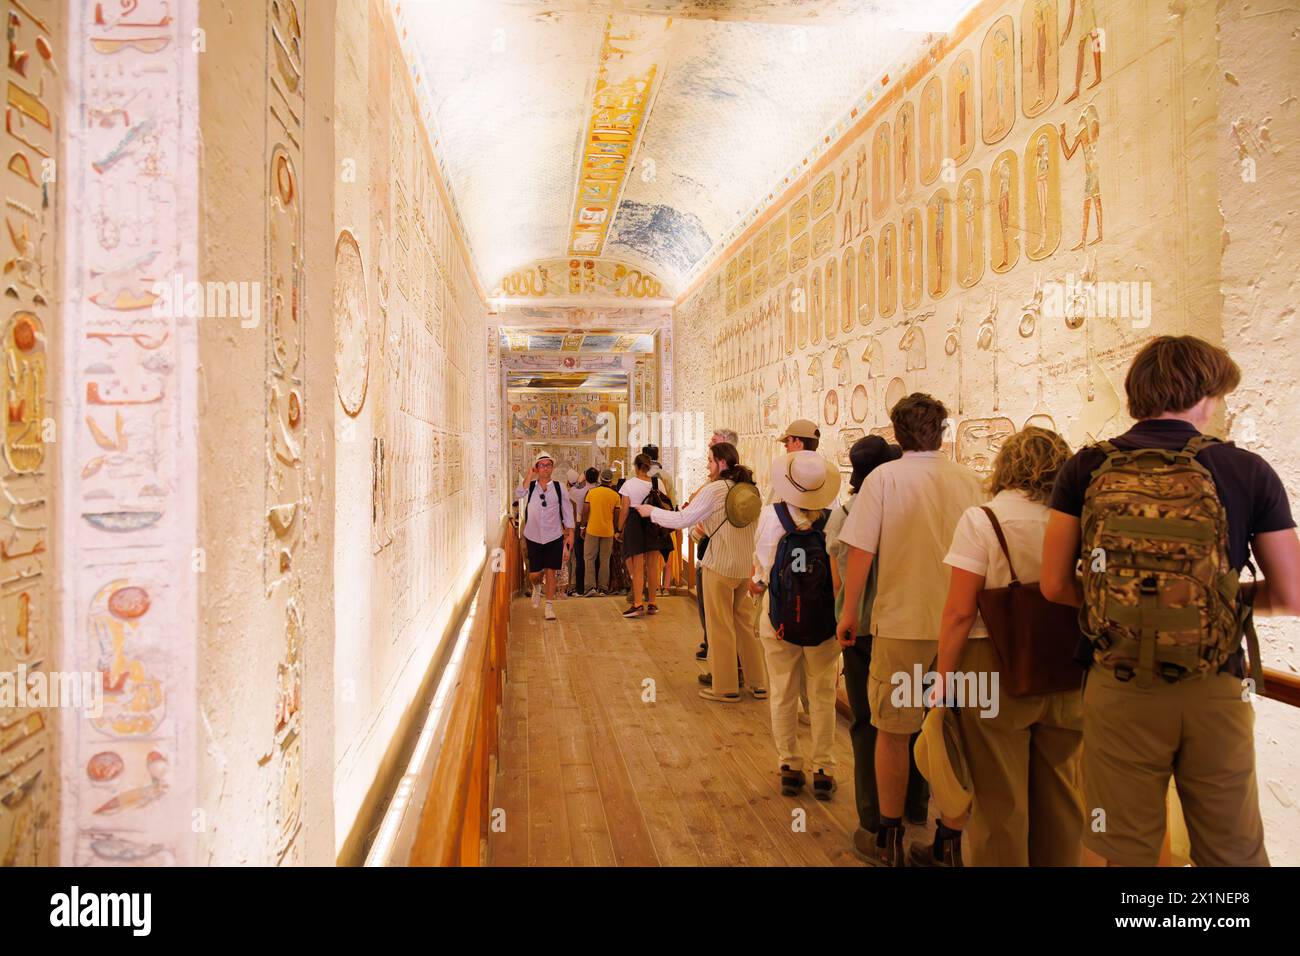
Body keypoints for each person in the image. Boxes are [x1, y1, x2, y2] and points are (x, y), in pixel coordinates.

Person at [1041, 335, 1300, 866]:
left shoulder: (1085, 466)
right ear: (1204, 394)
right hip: (1215, 684)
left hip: (1118, 684)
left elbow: (1053, 583)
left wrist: (1123, 611)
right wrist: (1214, 601)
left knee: (1123, 849)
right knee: (1232, 852)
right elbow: (1291, 593)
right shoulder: (1247, 471)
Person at [835, 393, 985, 866]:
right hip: (963, 630)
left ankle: (889, 837)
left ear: (897, 434)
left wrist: (850, 611)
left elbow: (861, 552)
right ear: (942, 431)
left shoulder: (883, 478)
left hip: (900, 624)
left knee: (892, 730)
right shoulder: (971, 481)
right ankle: (948, 840)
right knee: (954, 731)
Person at [933, 426, 1084, 866]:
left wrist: (941, 682)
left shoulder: (983, 520)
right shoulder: (1078, 519)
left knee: (1000, 801)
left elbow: (961, 611)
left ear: (1006, 466)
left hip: (991, 664)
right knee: (1062, 798)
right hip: (1067, 665)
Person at [827, 436, 930, 860]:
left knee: (868, 723)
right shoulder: (909, 508)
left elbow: (839, 575)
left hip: (863, 627)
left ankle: (874, 821)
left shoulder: (845, 513)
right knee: (915, 717)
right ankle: (916, 804)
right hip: (907, 625)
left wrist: (844, 617)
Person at [638, 443, 767, 702]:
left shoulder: (716, 489)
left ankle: (725, 687)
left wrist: (652, 511)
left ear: (721, 462)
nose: (707, 466)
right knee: (743, 625)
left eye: (709, 461)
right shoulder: (750, 489)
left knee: (719, 626)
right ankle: (758, 683)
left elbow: (683, 519)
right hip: (743, 568)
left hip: (719, 566)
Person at [750, 450, 841, 797]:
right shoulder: (834, 520)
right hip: (823, 621)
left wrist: (757, 583)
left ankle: (789, 764)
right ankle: (824, 768)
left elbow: (762, 571)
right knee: (821, 694)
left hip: (780, 619)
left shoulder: (771, 517)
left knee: (783, 690)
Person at [690, 428, 738, 662]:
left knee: (718, 615)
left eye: (713, 446)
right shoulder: (729, 484)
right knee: (722, 616)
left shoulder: (721, 487)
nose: (708, 450)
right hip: (728, 559)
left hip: (718, 559)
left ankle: (723, 669)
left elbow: (692, 515)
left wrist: (654, 514)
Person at [515, 451, 576, 622]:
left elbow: (567, 511)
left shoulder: (559, 487)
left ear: (552, 467)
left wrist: (570, 534)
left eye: (548, 465)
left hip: (554, 535)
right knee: (535, 574)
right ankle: (536, 586)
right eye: (541, 465)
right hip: (533, 536)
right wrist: (529, 475)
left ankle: (549, 606)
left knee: (551, 571)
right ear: (537, 467)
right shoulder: (531, 486)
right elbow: (519, 494)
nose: (545, 468)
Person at [618, 455, 667, 618]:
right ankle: (652, 602)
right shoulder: (657, 483)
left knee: (638, 566)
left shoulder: (629, 484)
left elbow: (624, 510)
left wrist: (619, 529)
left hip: (635, 523)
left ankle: (638, 603)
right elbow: (665, 503)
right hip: (653, 521)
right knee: (653, 565)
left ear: (636, 466)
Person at [642, 444, 676, 598]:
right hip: (664, 519)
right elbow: (672, 500)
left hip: (644, 519)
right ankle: (666, 587)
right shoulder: (665, 476)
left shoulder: (637, 474)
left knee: (646, 555)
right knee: (666, 553)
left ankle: (649, 586)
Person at [582, 468, 620, 595]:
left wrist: (583, 526)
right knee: (605, 560)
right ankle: (603, 587)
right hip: (608, 531)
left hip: (592, 529)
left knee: (589, 558)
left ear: (601, 478)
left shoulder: (592, 492)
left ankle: (590, 587)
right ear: (611, 481)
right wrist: (616, 530)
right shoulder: (615, 496)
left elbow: (585, 510)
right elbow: (616, 515)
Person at [566, 469, 591, 596]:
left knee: (572, 558)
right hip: (585, 525)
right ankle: (578, 586)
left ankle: (572, 585)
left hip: (573, 526)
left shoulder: (571, 492)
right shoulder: (587, 490)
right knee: (581, 557)